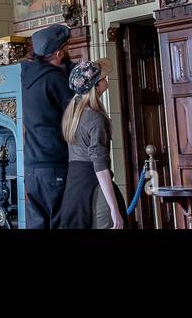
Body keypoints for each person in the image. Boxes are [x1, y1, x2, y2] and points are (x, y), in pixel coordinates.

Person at [57, 60, 125, 229]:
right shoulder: (96, 118)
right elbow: (100, 166)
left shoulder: (71, 114)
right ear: (96, 87)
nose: (105, 77)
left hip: (74, 186)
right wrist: (114, 209)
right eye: (101, 77)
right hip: (94, 186)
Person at [21, 23, 74, 228]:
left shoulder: (26, 76)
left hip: (31, 167)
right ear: (59, 53)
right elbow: (75, 113)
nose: (69, 51)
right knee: (60, 223)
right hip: (54, 166)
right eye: (67, 47)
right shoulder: (53, 79)